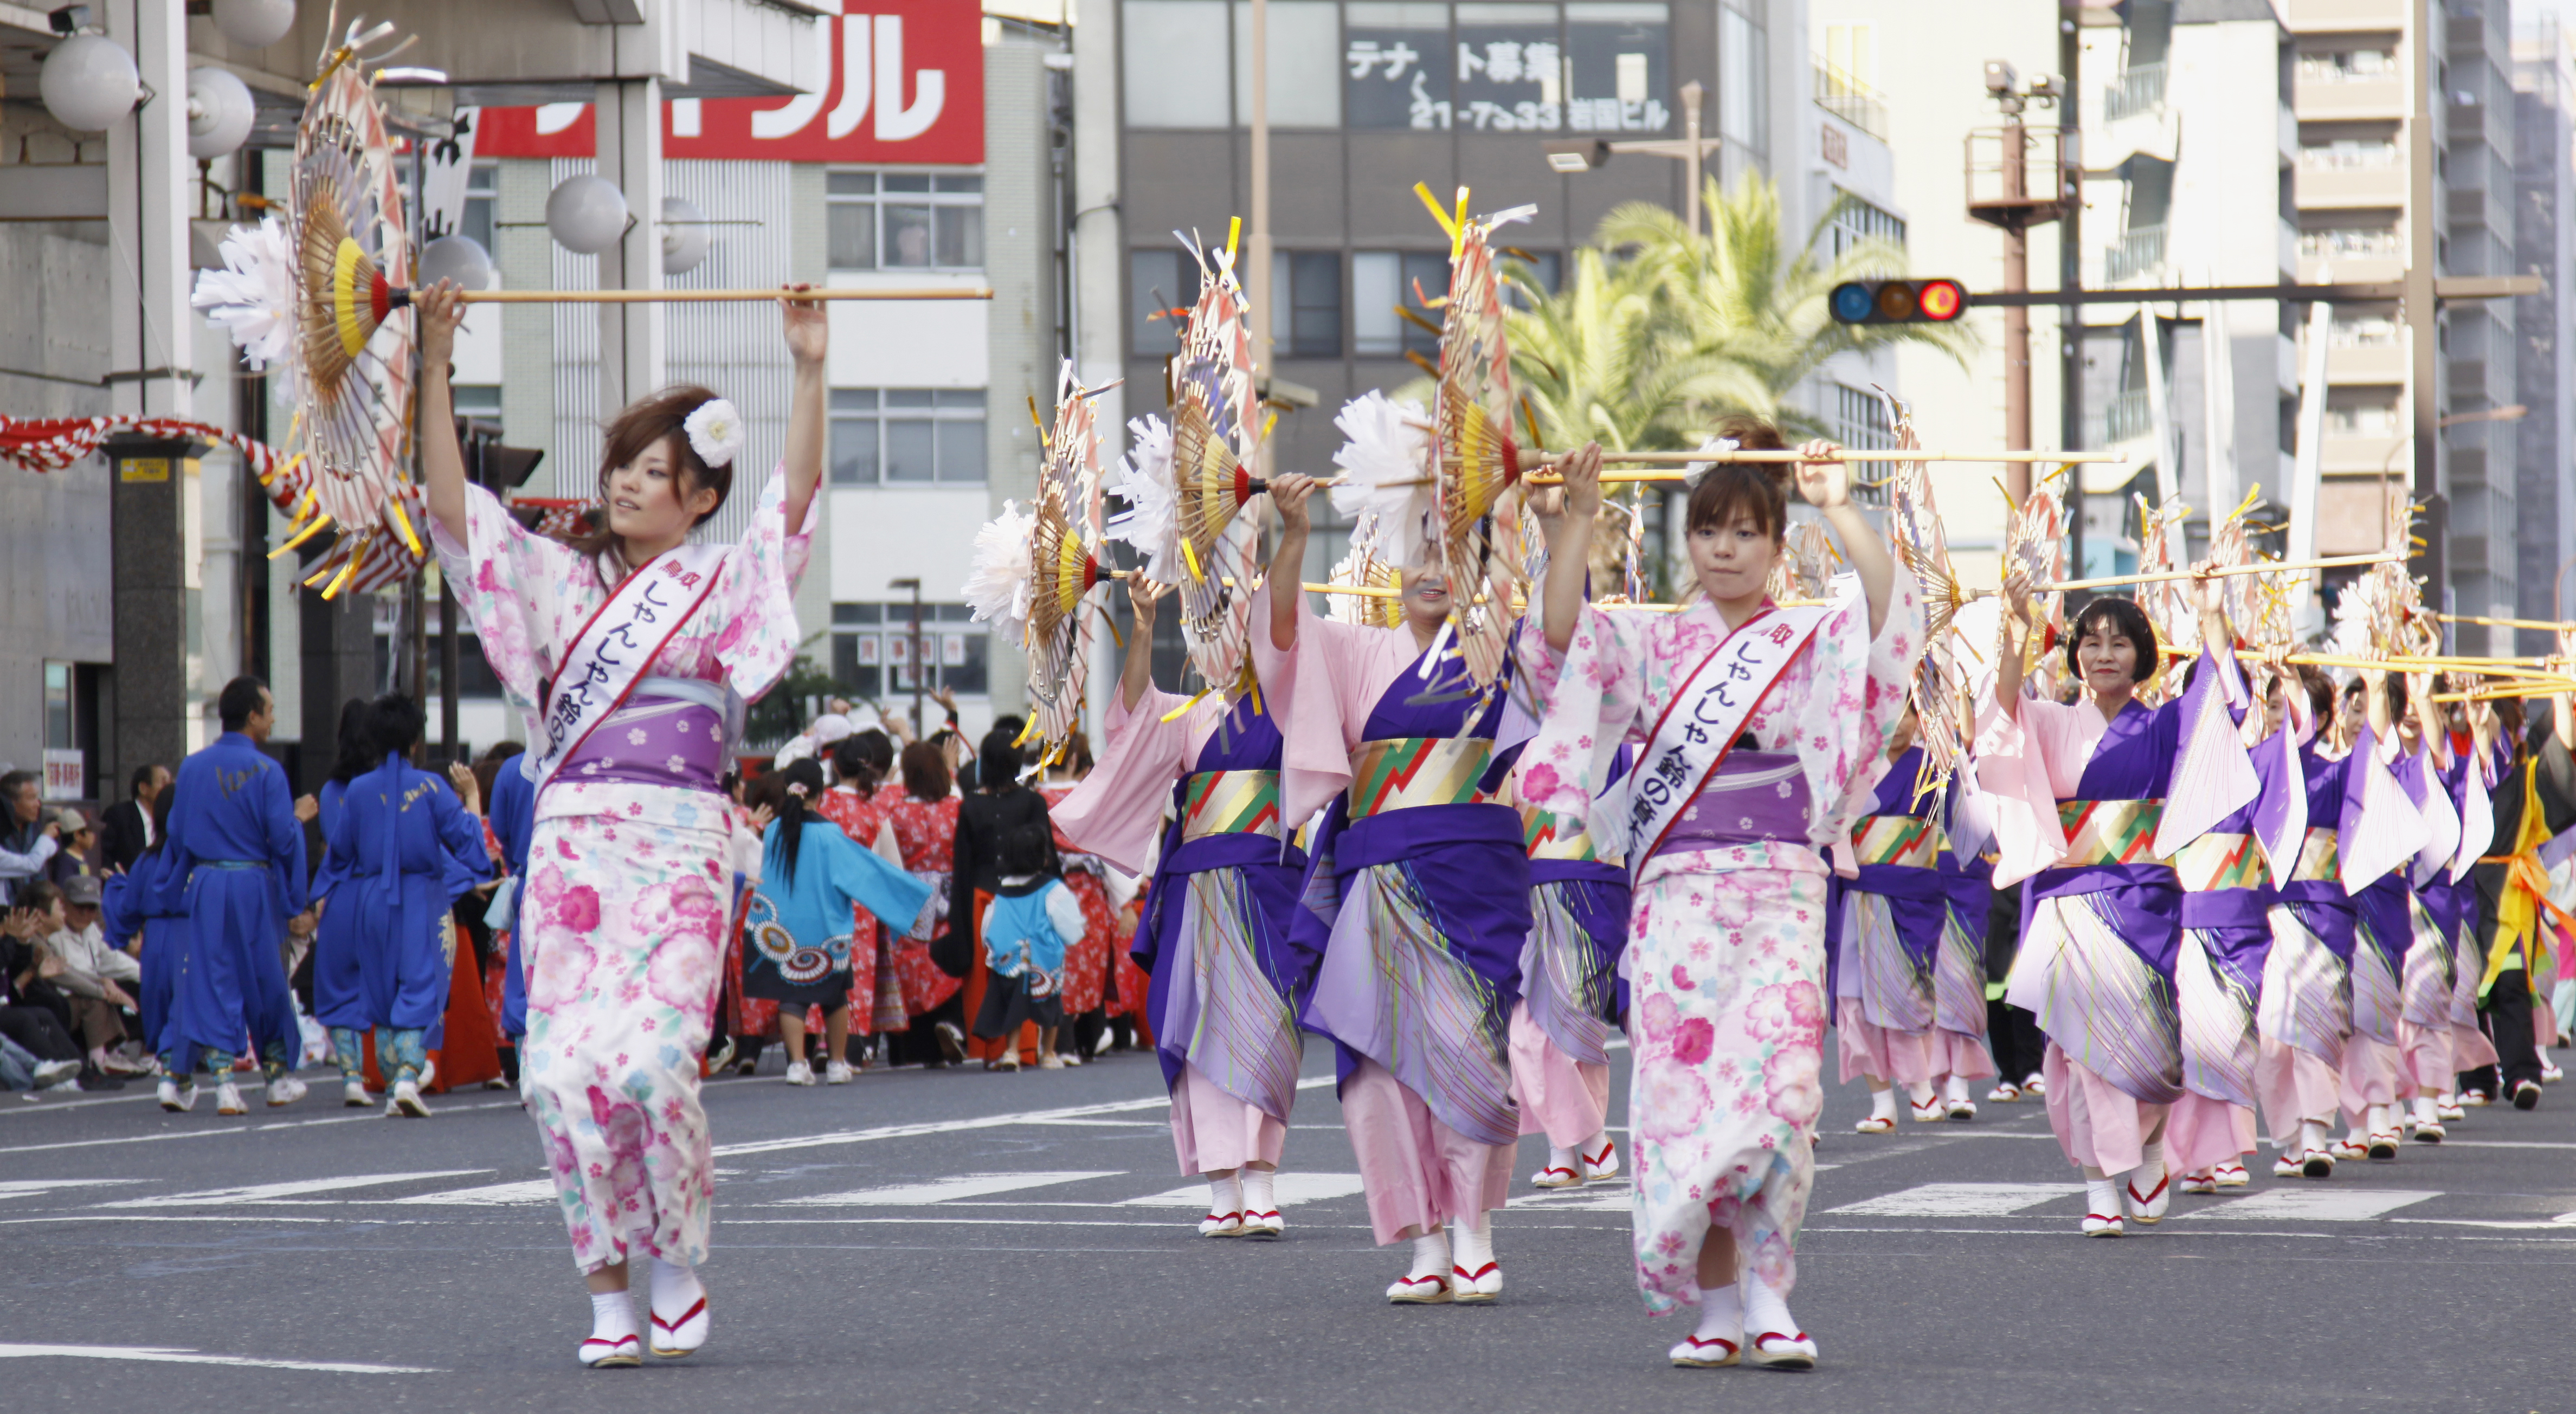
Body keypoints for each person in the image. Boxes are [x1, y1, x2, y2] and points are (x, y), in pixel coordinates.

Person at [417, 279, 827, 1367]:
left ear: (700, 496)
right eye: (625, 465)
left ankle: (675, 1255)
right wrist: (435, 364)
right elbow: (457, 513)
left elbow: (792, 501)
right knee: (558, 1073)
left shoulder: (723, 579)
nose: (629, 483)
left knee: (650, 1063)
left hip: (679, 840)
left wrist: (809, 368)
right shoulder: (557, 578)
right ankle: (606, 1291)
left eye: (656, 471)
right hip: (574, 845)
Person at [1521, 428, 1918, 1368]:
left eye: (1745, 532)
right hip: (1679, 901)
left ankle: (1770, 1295)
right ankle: (1714, 1308)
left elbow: (1892, 620)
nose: (1725, 549)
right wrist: (1576, 522)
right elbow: (1559, 645)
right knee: (1686, 1105)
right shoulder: (1649, 639)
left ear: (1777, 544)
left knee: (1781, 1097)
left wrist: (1837, 504)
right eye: (1708, 531)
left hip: (1780, 891)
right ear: (1687, 541)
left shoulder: (1812, 637)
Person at [1257, 474, 1536, 1309]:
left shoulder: (1503, 650)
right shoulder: (1354, 651)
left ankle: (1475, 1235)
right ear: (1391, 565)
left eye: (1451, 552)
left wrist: (1548, 521)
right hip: (1378, 881)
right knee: (1378, 1064)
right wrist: (1294, 534)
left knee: (1472, 1051)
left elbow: (1567, 649)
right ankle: (1424, 1243)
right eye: (1419, 553)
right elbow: (1281, 634)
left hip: (1476, 880)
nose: (1432, 570)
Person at [1980, 570, 2241, 1237]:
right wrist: (2016, 631)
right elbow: (2002, 715)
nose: (2104, 654)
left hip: (2144, 901)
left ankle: (2150, 1149)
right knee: (2077, 1051)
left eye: (2120, 643)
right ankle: (2099, 1186)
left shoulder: (2164, 723)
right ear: (2075, 655)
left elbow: (2220, 701)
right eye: (2091, 642)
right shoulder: (2051, 719)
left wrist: (2213, 616)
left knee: (2154, 1047)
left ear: (2142, 655)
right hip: (2067, 901)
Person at [1053, 576, 1316, 1236]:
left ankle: (1262, 1183)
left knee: (1270, 1026)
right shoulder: (1187, 713)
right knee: (1200, 1032)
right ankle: (1224, 1188)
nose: (1218, 640)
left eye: (1231, 626)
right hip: (1196, 888)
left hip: (1268, 883)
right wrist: (1143, 627)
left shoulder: (1288, 703)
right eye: (1206, 628)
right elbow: (1134, 717)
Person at [317, 695, 493, 1118]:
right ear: (415, 740)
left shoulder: (357, 790)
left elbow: (339, 854)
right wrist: (472, 804)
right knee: (421, 982)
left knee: (380, 988)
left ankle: (394, 1078)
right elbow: (467, 842)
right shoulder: (430, 787)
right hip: (420, 895)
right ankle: (409, 1077)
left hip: (369, 896)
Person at [150, 675, 314, 1116]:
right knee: (268, 981)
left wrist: (173, 883)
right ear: (253, 716)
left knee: (211, 980)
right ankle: (276, 1078)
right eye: (270, 710)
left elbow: (177, 833)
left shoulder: (192, 767)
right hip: (253, 884)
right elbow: (282, 838)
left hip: (206, 883)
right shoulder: (268, 770)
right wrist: (299, 820)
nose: (273, 718)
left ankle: (223, 1085)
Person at [1832, 712, 1997, 1134]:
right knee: (1854, 997)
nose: (1897, 723)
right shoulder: (1850, 762)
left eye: (1906, 712)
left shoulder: (1935, 764)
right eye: (1886, 710)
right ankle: (1882, 1101)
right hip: (1861, 891)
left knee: (1905, 994)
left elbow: (1969, 826)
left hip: (1915, 895)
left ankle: (1922, 1088)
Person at [742, 757, 929, 1084]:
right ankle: (836, 1064)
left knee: (791, 996)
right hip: (826, 925)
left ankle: (796, 1065)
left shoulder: (773, 831)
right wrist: (907, 903)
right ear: (821, 793)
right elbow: (864, 872)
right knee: (835, 996)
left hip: (781, 927)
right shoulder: (830, 834)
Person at [949, 727, 1055, 1069]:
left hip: (981, 896)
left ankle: (989, 1048)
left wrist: (957, 918)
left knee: (984, 974)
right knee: (1024, 970)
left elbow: (962, 866)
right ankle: (1023, 1047)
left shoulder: (970, 805)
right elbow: (1047, 857)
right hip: (1025, 897)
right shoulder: (1033, 802)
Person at [970, 821, 1084, 1070]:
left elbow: (990, 924)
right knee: (1051, 1003)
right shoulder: (1052, 888)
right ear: (1043, 857)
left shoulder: (1003, 890)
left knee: (1014, 1004)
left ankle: (1012, 1051)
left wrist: (992, 950)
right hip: (1044, 956)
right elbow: (1070, 925)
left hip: (1011, 958)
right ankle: (1049, 1053)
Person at [884, 740, 967, 1067]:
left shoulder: (896, 812)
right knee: (948, 958)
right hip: (950, 892)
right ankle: (950, 1022)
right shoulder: (956, 807)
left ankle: (920, 1046)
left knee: (912, 961)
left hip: (912, 893)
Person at [45, 873, 146, 1077]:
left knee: (146, 987)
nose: (85, 913)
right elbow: (72, 973)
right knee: (97, 997)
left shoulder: (91, 930)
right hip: (63, 999)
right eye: (79, 907)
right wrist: (105, 984)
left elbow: (112, 959)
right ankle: (100, 1060)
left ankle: (145, 1056)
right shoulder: (55, 932)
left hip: (91, 990)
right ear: (64, 905)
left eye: (91, 908)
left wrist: (151, 976)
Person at [0, 893, 83, 1090]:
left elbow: (13, 971)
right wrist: (11, 937)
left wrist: (22, 942)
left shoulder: (7, 945)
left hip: (5, 1005)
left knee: (46, 1011)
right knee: (24, 1019)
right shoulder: (5, 945)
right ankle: (44, 1073)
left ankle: (79, 1071)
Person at [0, 770, 60, 907]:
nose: (38, 804)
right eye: (31, 798)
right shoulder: (5, 835)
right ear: (11, 802)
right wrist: (46, 839)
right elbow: (31, 865)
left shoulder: (36, 828)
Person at [102, 763, 170, 874]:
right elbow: (104, 855)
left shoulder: (167, 821)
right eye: (164, 782)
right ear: (144, 788)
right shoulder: (119, 815)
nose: (169, 789)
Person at [45, 809, 95, 888]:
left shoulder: (80, 859)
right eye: (89, 832)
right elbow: (62, 889)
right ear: (77, 835)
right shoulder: (65, 862)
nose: (93, 836)